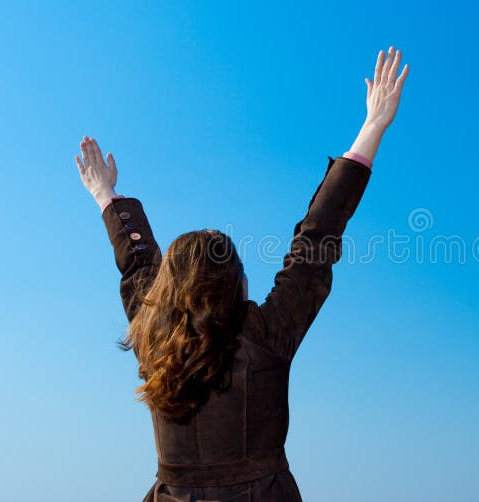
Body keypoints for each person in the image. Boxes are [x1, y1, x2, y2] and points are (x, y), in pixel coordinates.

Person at [74, 47, 409, 501]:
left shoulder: (154, 341)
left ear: (169, 287)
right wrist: (372, 127)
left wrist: (105, 195)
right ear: (236, 283)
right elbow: (315, 242)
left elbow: (137, 267)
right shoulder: (264, 337)